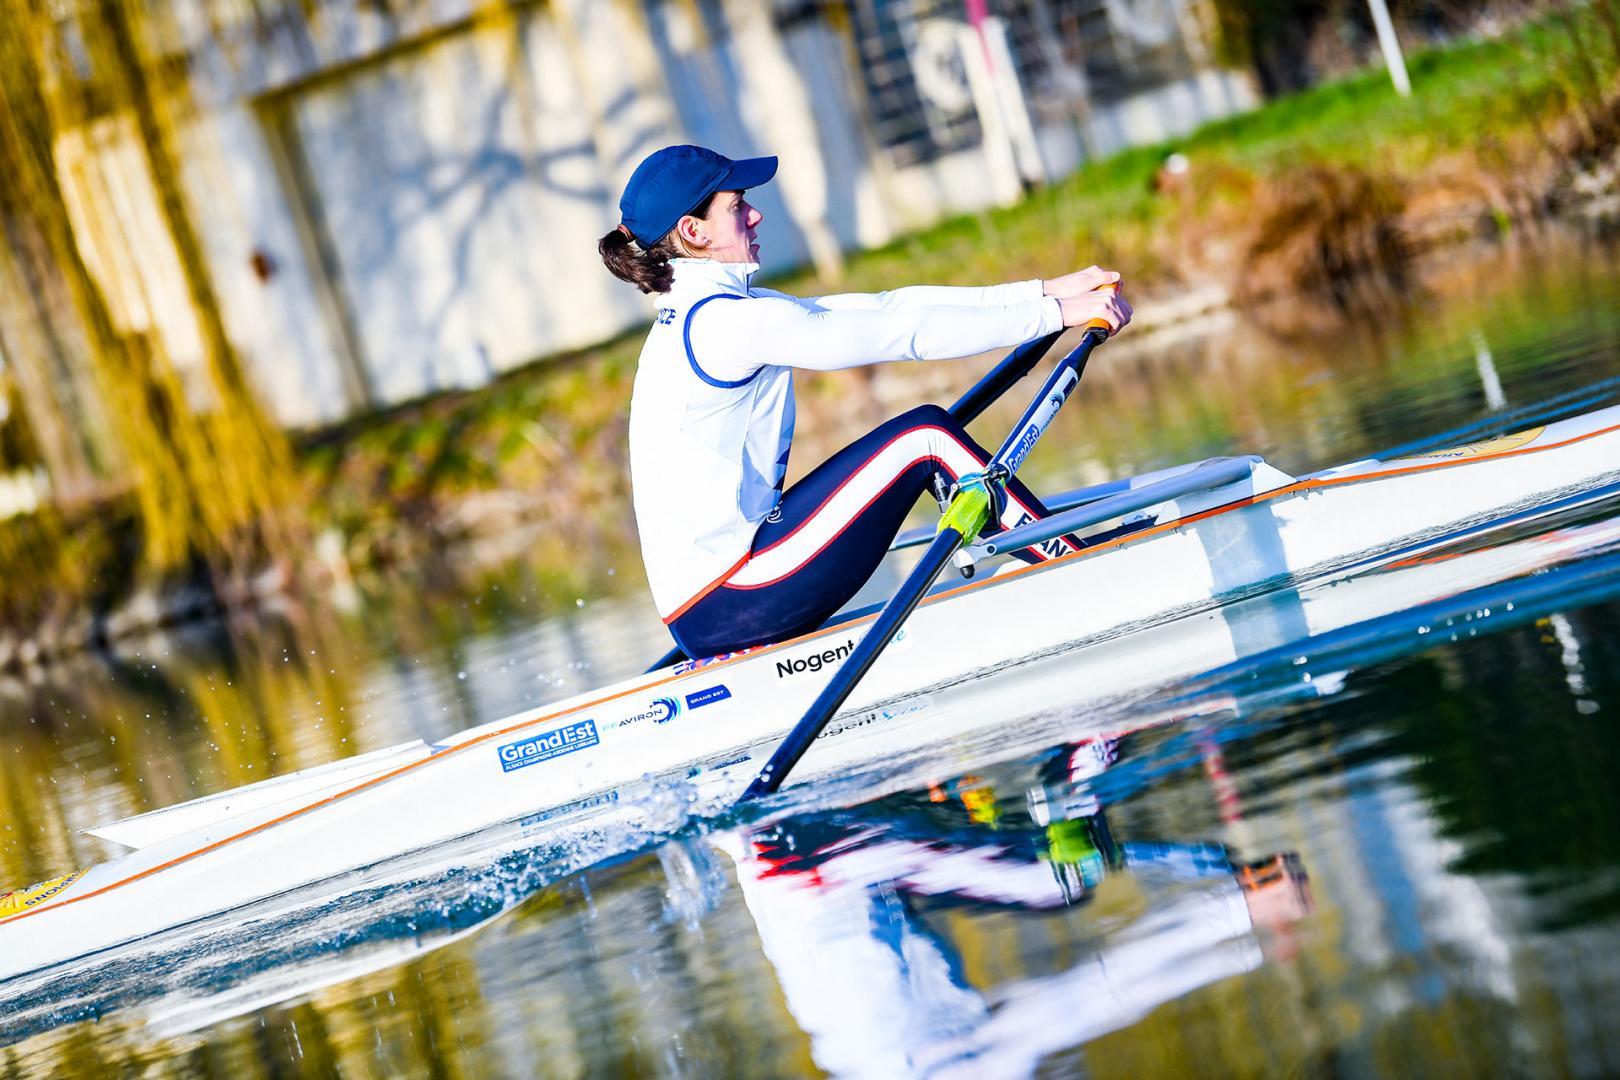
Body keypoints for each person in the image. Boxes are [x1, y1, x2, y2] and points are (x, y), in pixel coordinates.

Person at [599, 145, 1132, 659]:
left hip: (712, 601)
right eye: (738, 206)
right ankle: (1087, 579)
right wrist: (1052, 315)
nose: (757, 215)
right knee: (925, 439)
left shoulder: (707, 310)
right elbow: (903, 333)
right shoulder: (726, 322)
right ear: (694, 232)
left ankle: (1044, 556)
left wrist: (1047, 294)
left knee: (924, 437)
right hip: (733, 596)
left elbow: (892, 308)